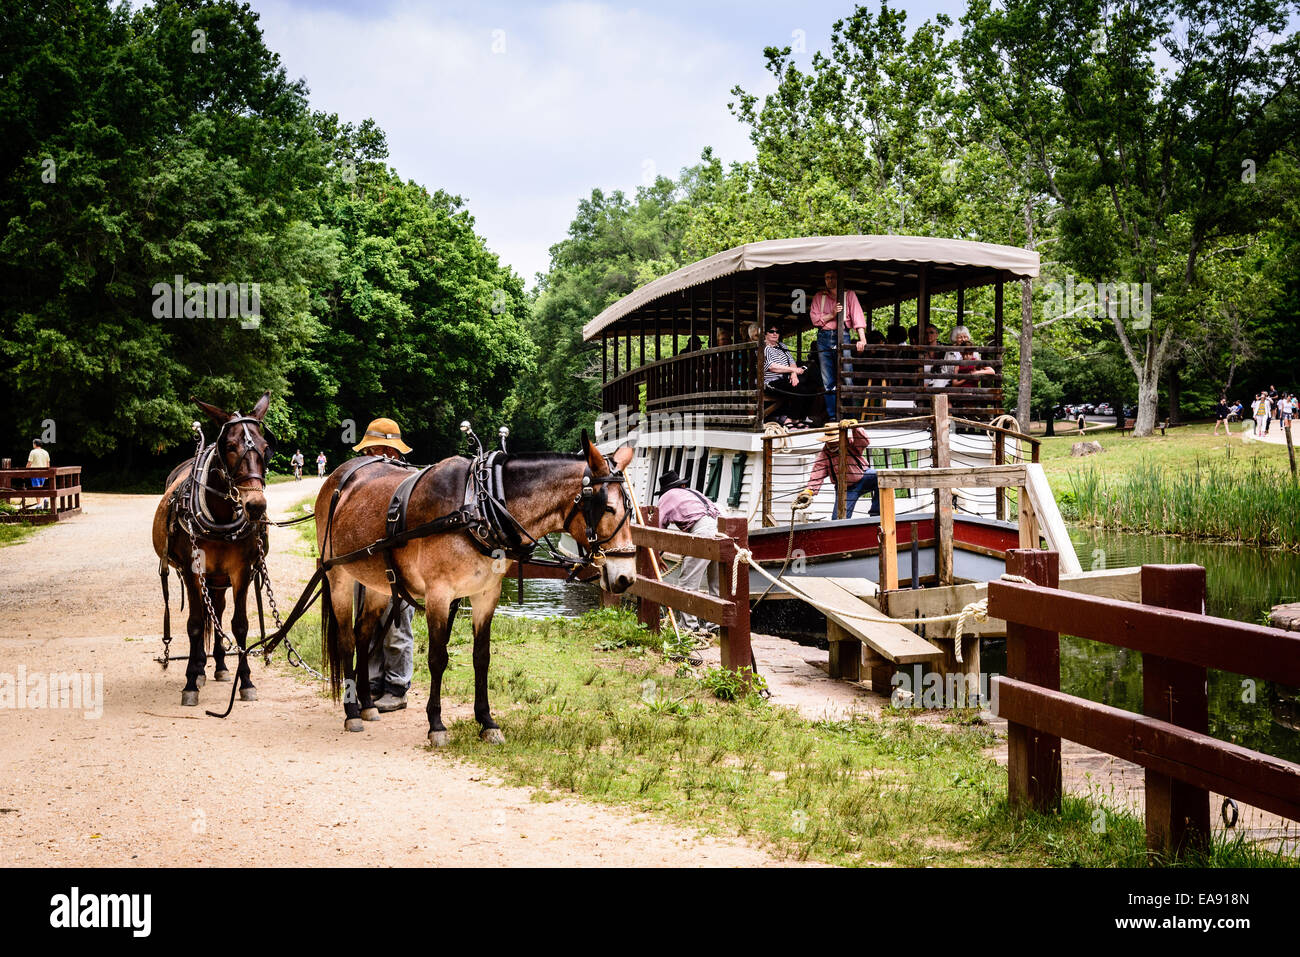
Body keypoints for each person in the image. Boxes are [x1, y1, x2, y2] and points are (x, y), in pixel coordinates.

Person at [352, 417, 417, 712]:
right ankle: (374, 682)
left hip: (398, 566)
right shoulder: (364, 481)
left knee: (397, 627)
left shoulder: (410, 482)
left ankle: (397, 687)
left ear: (390, 453)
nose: (366, 457)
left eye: (372, 451)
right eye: (366, 452)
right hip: (364, 566)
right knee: (368, 628)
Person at [654, 469, 720, 635]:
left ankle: (689, 627)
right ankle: (716, 625)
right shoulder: (693, 493)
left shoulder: (666, 498)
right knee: (717, 584)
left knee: (687, 583)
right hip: (721, 530)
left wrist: (656, 555)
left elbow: (658, 530)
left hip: (701, 532)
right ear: (681, 484)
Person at [809, 269, 868, 420]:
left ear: (839, 278)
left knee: (847, 376)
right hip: (823, 337)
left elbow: (857, 317)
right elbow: (815, 320)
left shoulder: (849, 295)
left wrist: (862, 339)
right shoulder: (819, 296)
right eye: (827, 277)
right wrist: (832, 314)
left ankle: (849, 415)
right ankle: (833, 417)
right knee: (828, 380)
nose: (829, 280)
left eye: (833, 277)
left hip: (843, 335)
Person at [798, 426, 880, 518]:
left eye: (835, 442)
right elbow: (817, 474)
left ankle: (876, 513)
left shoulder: (851, 444)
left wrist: (855, 427)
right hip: (845, 489)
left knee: (881, 477)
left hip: (863, 477)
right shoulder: (824, 456)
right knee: (838, 519)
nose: (832, 445)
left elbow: (864, 441)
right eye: (830, 442)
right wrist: (809, 491)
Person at [762, 325, 812, 426]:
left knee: (809, 386)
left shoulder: (782, 346)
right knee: (798, 388)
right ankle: (791, 419)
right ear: (765, 334)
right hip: (771, 381)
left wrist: (793, 374)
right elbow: (772, 367)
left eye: (777, 331)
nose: (775, 334)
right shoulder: (763, 347)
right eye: (771, 331)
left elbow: (792, 361)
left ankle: (799, 418)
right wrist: (794, 370)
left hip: (786, 378)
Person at [25, 439, 50, 509]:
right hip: (44, 472)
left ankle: (39, 504)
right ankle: (45, 498)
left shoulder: (33, 452)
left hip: (35, 472)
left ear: (35, 444)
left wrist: (25, 471)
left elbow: (29, 463)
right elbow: (48, 463)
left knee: (37, 489)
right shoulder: (46, 452)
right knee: (41, 487)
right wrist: (48, 474)